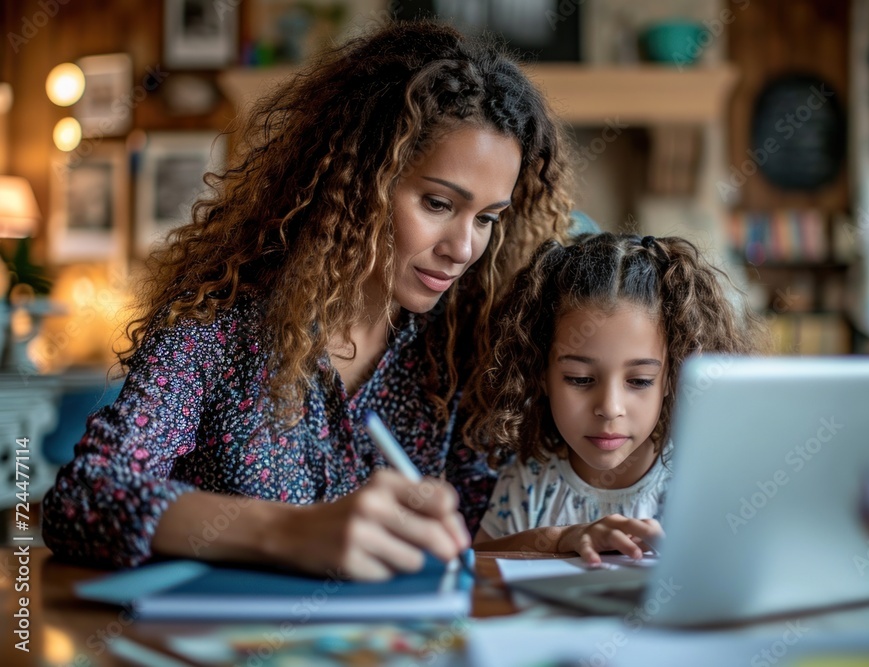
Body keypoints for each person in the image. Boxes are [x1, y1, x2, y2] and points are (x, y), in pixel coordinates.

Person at [41, 20, 574, 580]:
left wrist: (551, 547)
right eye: (439, 204)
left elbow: (460, 555)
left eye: (488, 218)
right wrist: (288, 531)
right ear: (361, 180)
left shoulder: (461, 346)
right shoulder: (217, 333)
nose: (464, 248)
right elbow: (84, 499)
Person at [464, 233, 766, 564]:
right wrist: (561, 538)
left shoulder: (698, 477)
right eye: (580, 379)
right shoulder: (530, 478)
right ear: (540, 374)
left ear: (672, 377)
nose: (610, 408)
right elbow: (473, 566)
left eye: (639, 381)